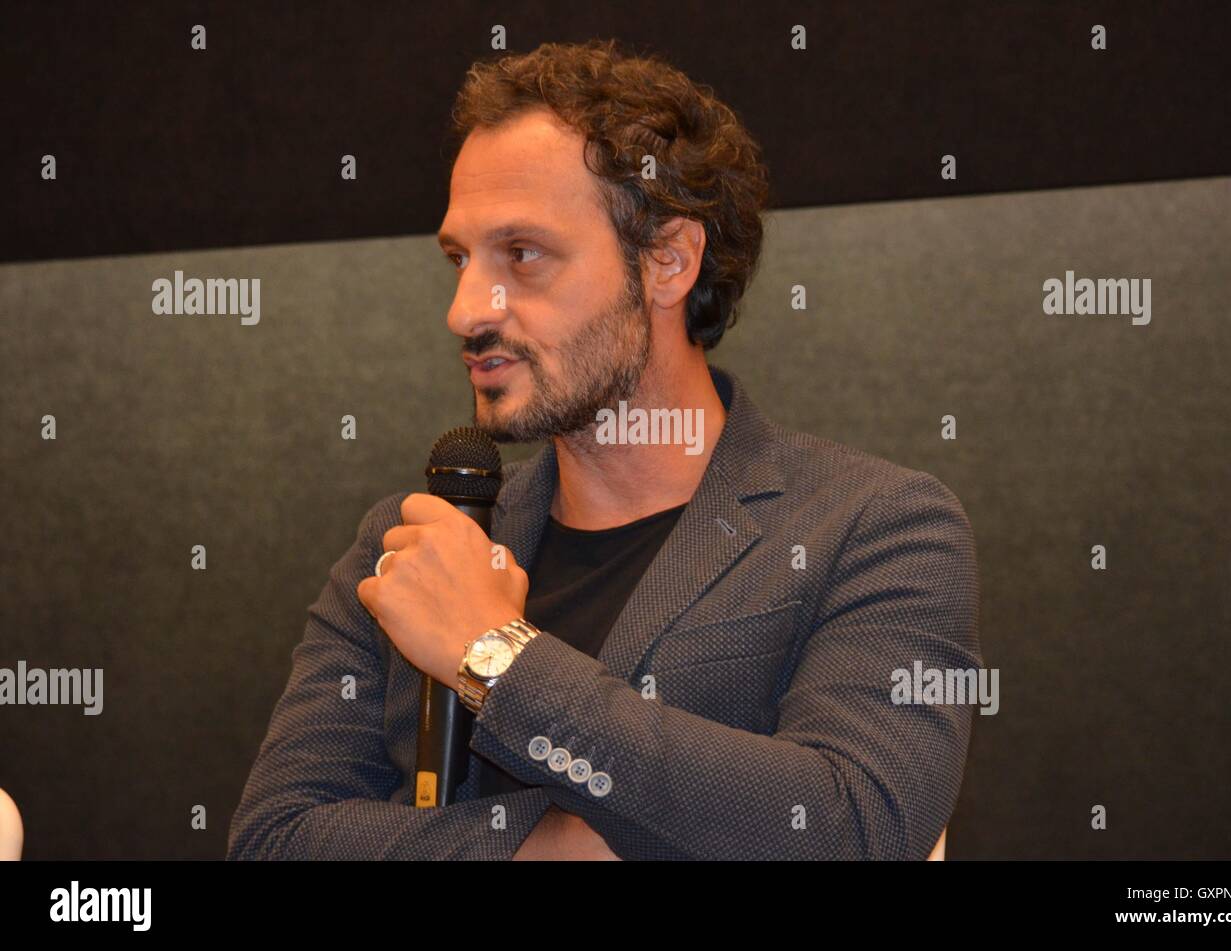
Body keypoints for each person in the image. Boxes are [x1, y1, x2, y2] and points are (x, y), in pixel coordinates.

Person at [227, 38, 981, 861]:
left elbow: (853, 827)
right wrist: (546, 846)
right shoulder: (410, 547)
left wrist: (497, 658)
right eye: (459, 258)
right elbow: (275, 841)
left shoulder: (873, 526)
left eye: (523, 255)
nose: (467, 309)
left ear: (668, 260)